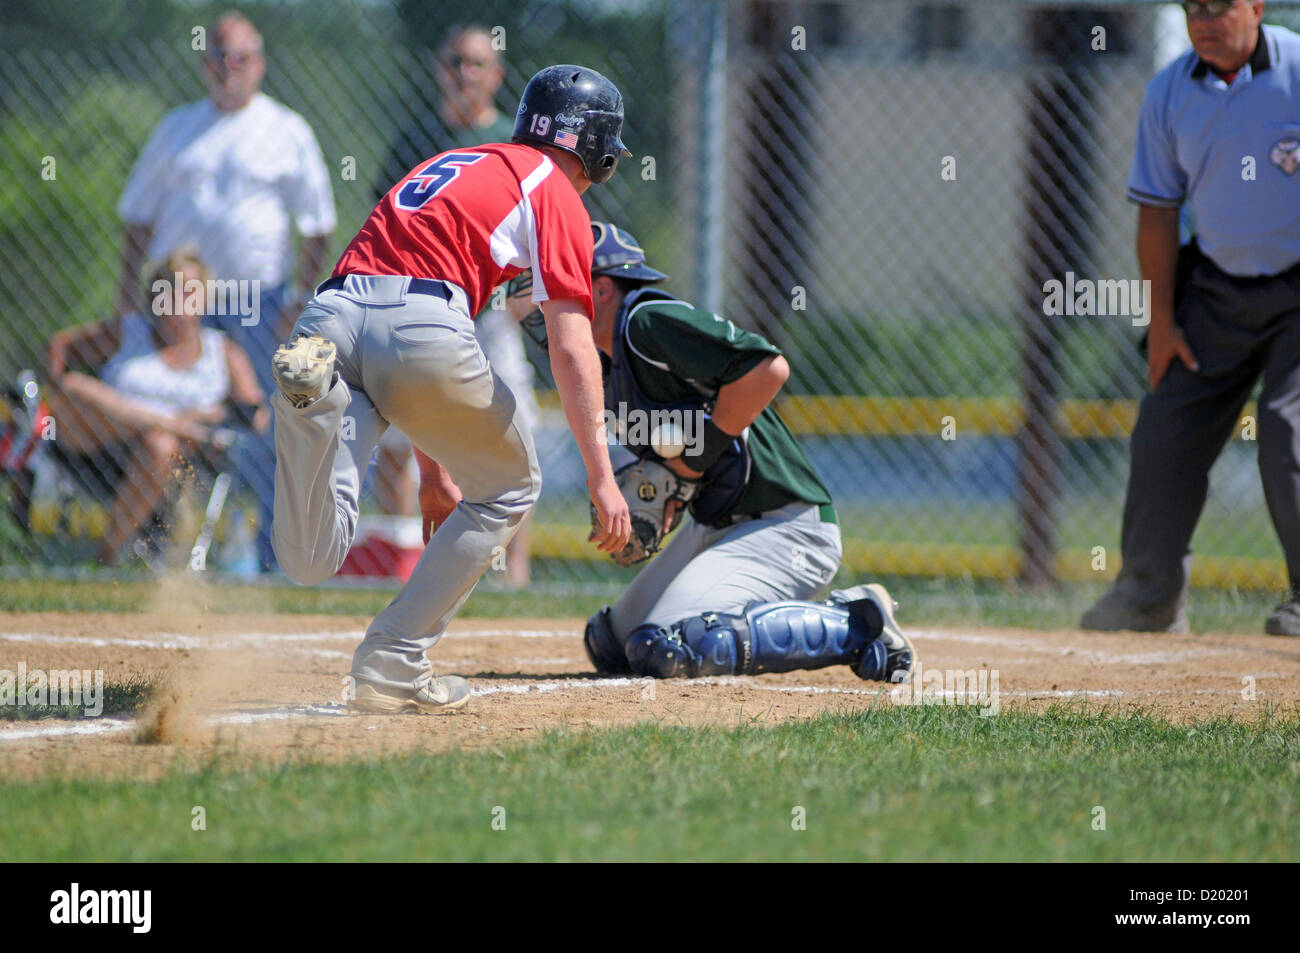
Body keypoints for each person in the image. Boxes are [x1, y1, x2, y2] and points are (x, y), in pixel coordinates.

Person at [270, 65, 633, 714]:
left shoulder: (456, 161)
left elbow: (411, 335)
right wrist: (602, 477)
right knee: (513, 483)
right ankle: (394, 658)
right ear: (596, 149)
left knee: (310, 559)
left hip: (332, 316)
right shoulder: (555, 189)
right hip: (420, 328)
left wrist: (435, 475)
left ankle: (308, 409)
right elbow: (572, 346)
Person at [499, 223, 915, 682]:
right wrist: (662, 488)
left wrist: (692, 462)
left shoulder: (644, 322)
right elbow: (674, 444)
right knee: (612, 644)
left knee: (671, 647)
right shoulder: (604, 360)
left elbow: (767, 368)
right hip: (714, 526)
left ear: (601, 287)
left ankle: (860, 625)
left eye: (559, 286)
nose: (545, 304)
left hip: (786, 529)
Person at [1081, 0, 1300, 636]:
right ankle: (1149, 595)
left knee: (1287, 431)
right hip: (1215, 288)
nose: (1203, 20)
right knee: (1164, 430)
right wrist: (1163, 323)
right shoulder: (1169, 91)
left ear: (1257, 6)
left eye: (1219, 6)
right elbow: (1156, 215)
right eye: (1190, 7)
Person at [115, 10, 336, 572]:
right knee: (171, 416)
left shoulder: (286, 129)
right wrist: (124, 299)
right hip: (177, 304)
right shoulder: (177, 128)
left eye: (239, 56)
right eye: (217, 55)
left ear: (259, 64)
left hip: (258, 304)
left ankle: (269, 564)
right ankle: (158, 550)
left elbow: (317, 227)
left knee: (261, 429)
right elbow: (138, 219)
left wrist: (297, 300)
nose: (227, 67)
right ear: (203, 62)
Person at [371, 24, 539, 586]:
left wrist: (517, 300)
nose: (465, 73)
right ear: (441, 70)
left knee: (514, 438)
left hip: (488, 315)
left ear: (496, 75)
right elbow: (387, 221)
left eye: (476, 63)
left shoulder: (512, 145)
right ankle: (409, 566)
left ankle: (513, 575)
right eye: (455, 62)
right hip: (422, 309)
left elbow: (544, 232)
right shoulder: (417, 139)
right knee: (398, 440)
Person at [44, 247, 269, 564]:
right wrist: (175, 421)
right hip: (102, 448)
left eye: (189, 290)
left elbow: (257, 416)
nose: (179, 298)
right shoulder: (128, 333)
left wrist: (209, 416)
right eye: (171, 288)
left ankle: (104, 558)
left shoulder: (222, 351)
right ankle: (166, 423)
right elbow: (59, 347)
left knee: (160, 444)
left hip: (175, 463)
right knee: (73, 388)